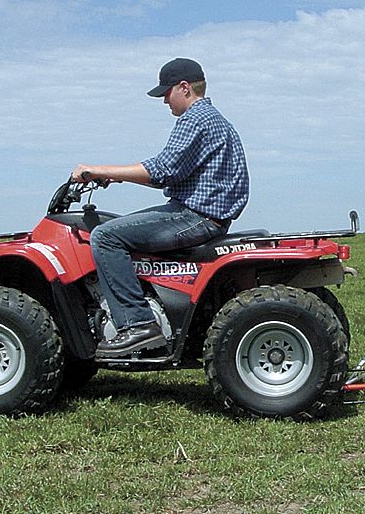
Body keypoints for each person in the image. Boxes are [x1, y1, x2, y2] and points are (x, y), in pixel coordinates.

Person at [72, 58, 249, 358]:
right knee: (117, 229)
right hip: (203, 214)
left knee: (104, 236)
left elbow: (162, 169)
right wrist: (113, 176)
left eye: (166, 92)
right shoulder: (213, 119)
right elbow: (169, 176)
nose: (164, 99)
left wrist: (99, 169)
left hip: (194, 216)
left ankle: (138, 324)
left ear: (184, 88)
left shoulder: (196, 119)